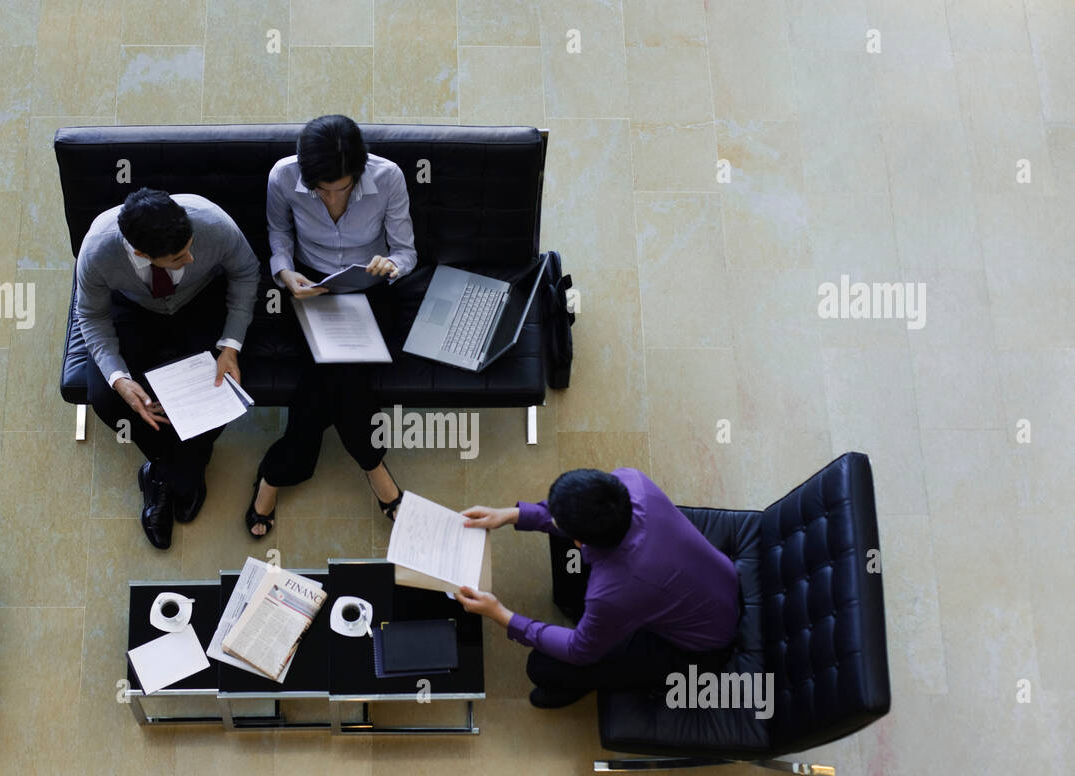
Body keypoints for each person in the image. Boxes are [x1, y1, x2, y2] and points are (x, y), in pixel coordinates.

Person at [246, 114, 418, 538]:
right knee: (344, 378)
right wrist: (284, 274)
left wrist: (391, 265)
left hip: (370, 287)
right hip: (310, 284)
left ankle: (278, 472)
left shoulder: (388, 177)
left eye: (341, 188)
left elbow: (406, 250)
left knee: (330, 379)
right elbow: (278, 235)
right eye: (321, 190)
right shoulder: (283, 177)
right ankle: (374, 466)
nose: (331, 197)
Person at [456, 468, 741, 708]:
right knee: (560, 540)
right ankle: (581, 610)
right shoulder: (631, 481)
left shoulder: (613, 591)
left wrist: (501, 614)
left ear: (582, 541)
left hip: (700, 647)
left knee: (542, 667)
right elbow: (568, 520)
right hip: (717, 579)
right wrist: (509, 515)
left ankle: (610, 681)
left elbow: (580, 650)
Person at [77, 187, 260, 549]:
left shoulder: (212, 222)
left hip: (200, 300)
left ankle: (164, 476)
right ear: (142, 254)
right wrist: (119, 378)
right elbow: (91, 315)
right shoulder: (98, 250)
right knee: (105, 398)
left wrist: (230, 345)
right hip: (134, 308)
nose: (191, 257)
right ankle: (185, 469)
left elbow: (246, 273)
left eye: (191, 246)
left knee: (224, 385)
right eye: (179, 256)